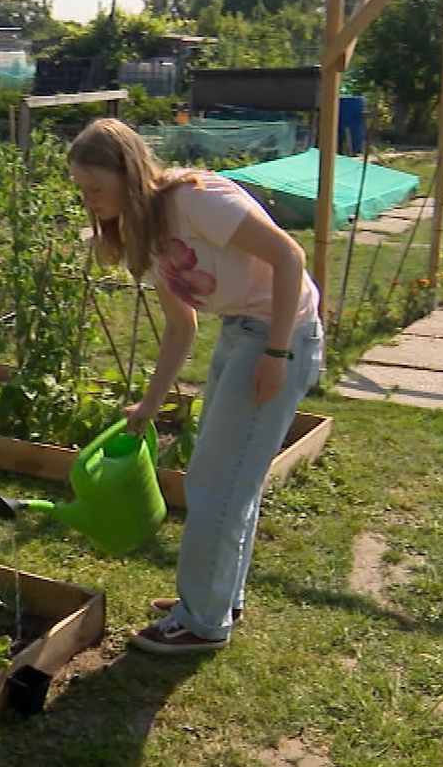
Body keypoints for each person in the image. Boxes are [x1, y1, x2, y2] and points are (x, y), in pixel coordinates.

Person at [67, 118, 324, 655]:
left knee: (216, 481)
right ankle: (217, 598)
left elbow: (288, 257)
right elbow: (183, 326)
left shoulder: (195, 201)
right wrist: (151, 403)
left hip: (281, 332)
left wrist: (277, 353)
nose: (89, 202)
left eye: (95, 188)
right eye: (81, 191)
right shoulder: (150, 231)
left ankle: (202, 621)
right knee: (231, 475)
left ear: (128, 172)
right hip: (243, 329)